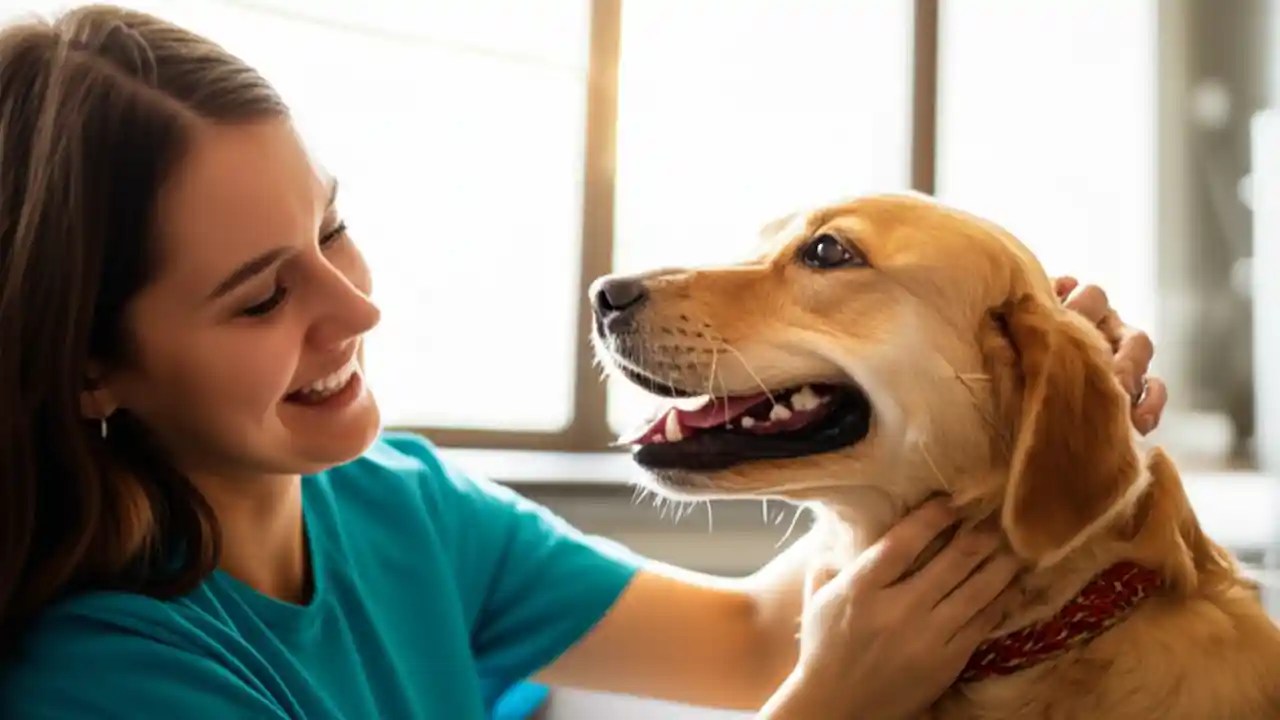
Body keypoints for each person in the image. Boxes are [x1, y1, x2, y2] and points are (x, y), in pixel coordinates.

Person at [0, 6, 1167, 720]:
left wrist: (1001, 414)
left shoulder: (397, 507)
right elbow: (811, 674)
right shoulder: (106, 678)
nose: (353, 305)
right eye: (262, 295)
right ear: (87, 368)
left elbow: (760, 640)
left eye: (332, 227)